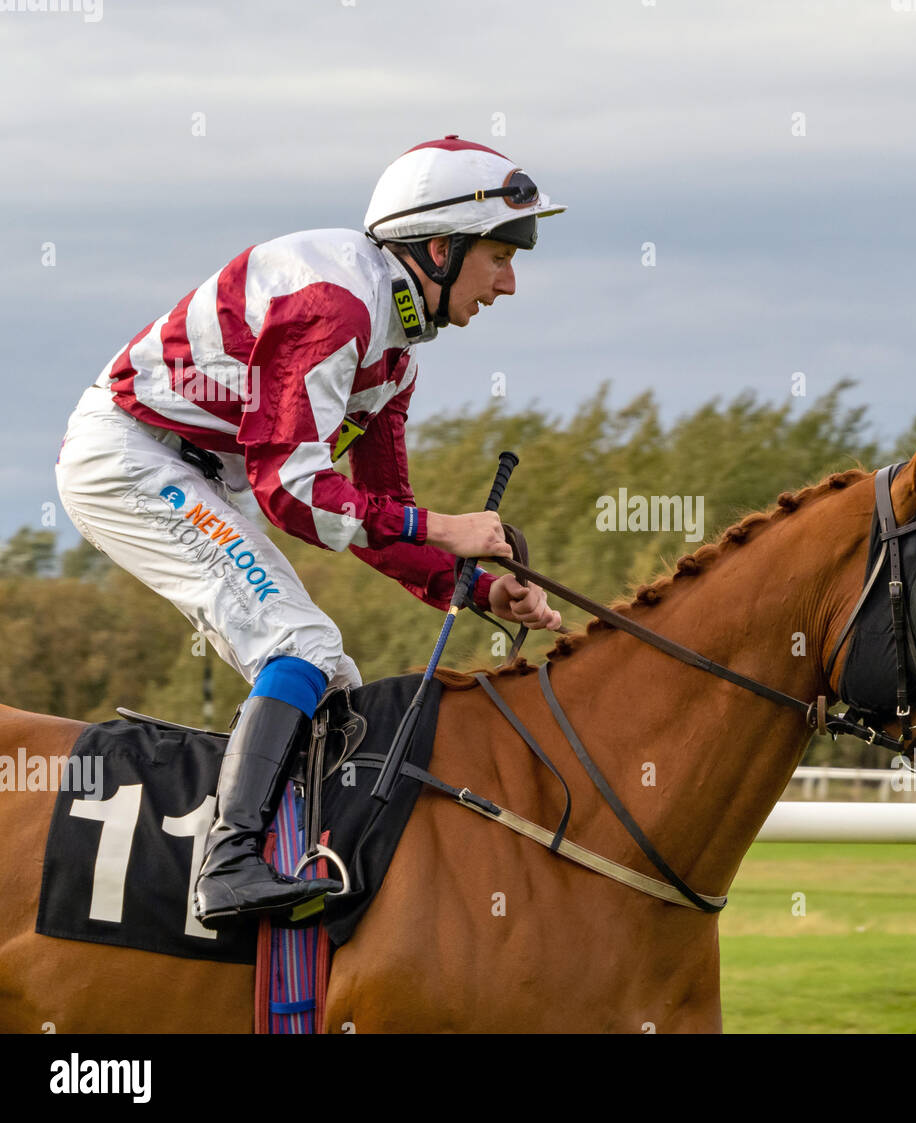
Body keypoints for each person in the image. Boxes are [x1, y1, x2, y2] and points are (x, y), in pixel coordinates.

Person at [53, 137, 564, 928]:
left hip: (201, 470)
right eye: (500, 255)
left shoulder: (395, 356)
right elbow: (292, 491)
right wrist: (446, 527)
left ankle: (298, 858)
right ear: (440, 248)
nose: (510, 283)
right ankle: (227, 867)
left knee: (331, 673)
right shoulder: (335, 307)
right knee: (301, 646)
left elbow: (374, 513)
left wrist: (475, 583)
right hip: (132, 454)